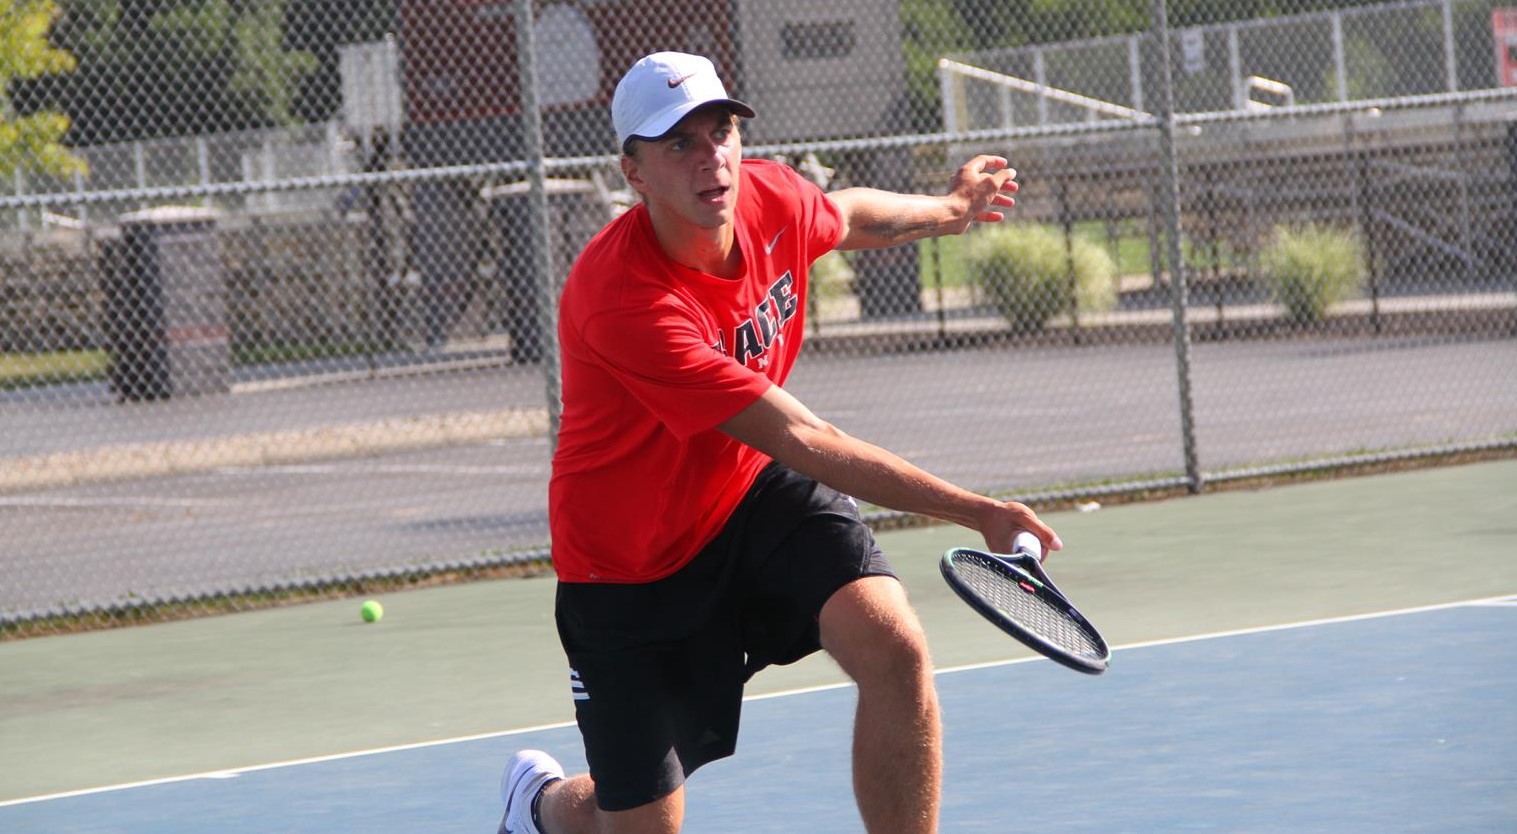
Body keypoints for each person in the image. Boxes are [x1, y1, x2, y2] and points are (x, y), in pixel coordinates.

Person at [497, 51, 1062, 834]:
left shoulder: (768, 194)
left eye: (720, 132)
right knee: (632, 822)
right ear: (634, 172)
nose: (711, 158)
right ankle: (540, 806)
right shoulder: (624, 301)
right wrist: (977, 511)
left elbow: (846, 214)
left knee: (893, 646)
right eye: (679, 144)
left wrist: (952, 208)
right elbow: (804, 436)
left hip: (749, 494)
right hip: (629, 568)